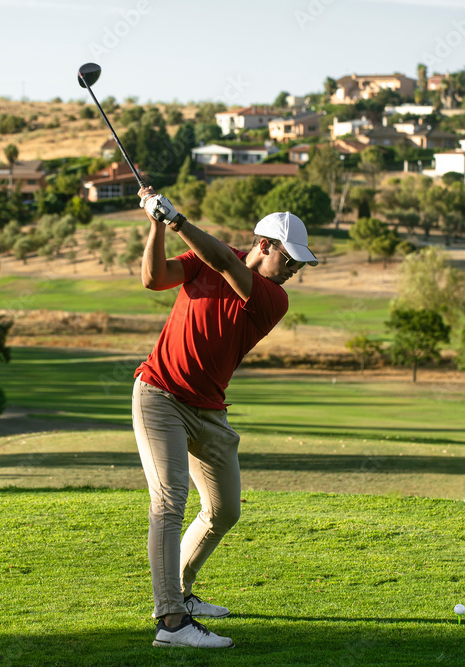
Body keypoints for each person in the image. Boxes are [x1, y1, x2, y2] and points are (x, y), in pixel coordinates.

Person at [131, 185, 318, 648]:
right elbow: (153, 279)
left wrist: (177, 219)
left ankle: (182, 589)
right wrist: (156, 223)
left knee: (223, 510)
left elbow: (227, 266)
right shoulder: (207, 258)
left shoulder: (272, 298)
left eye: (298, 264)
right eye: (289, 259)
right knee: (169, 502)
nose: (293, 271)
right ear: (265, 244)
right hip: (160, 394)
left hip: (209, 410)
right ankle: (171, 622)